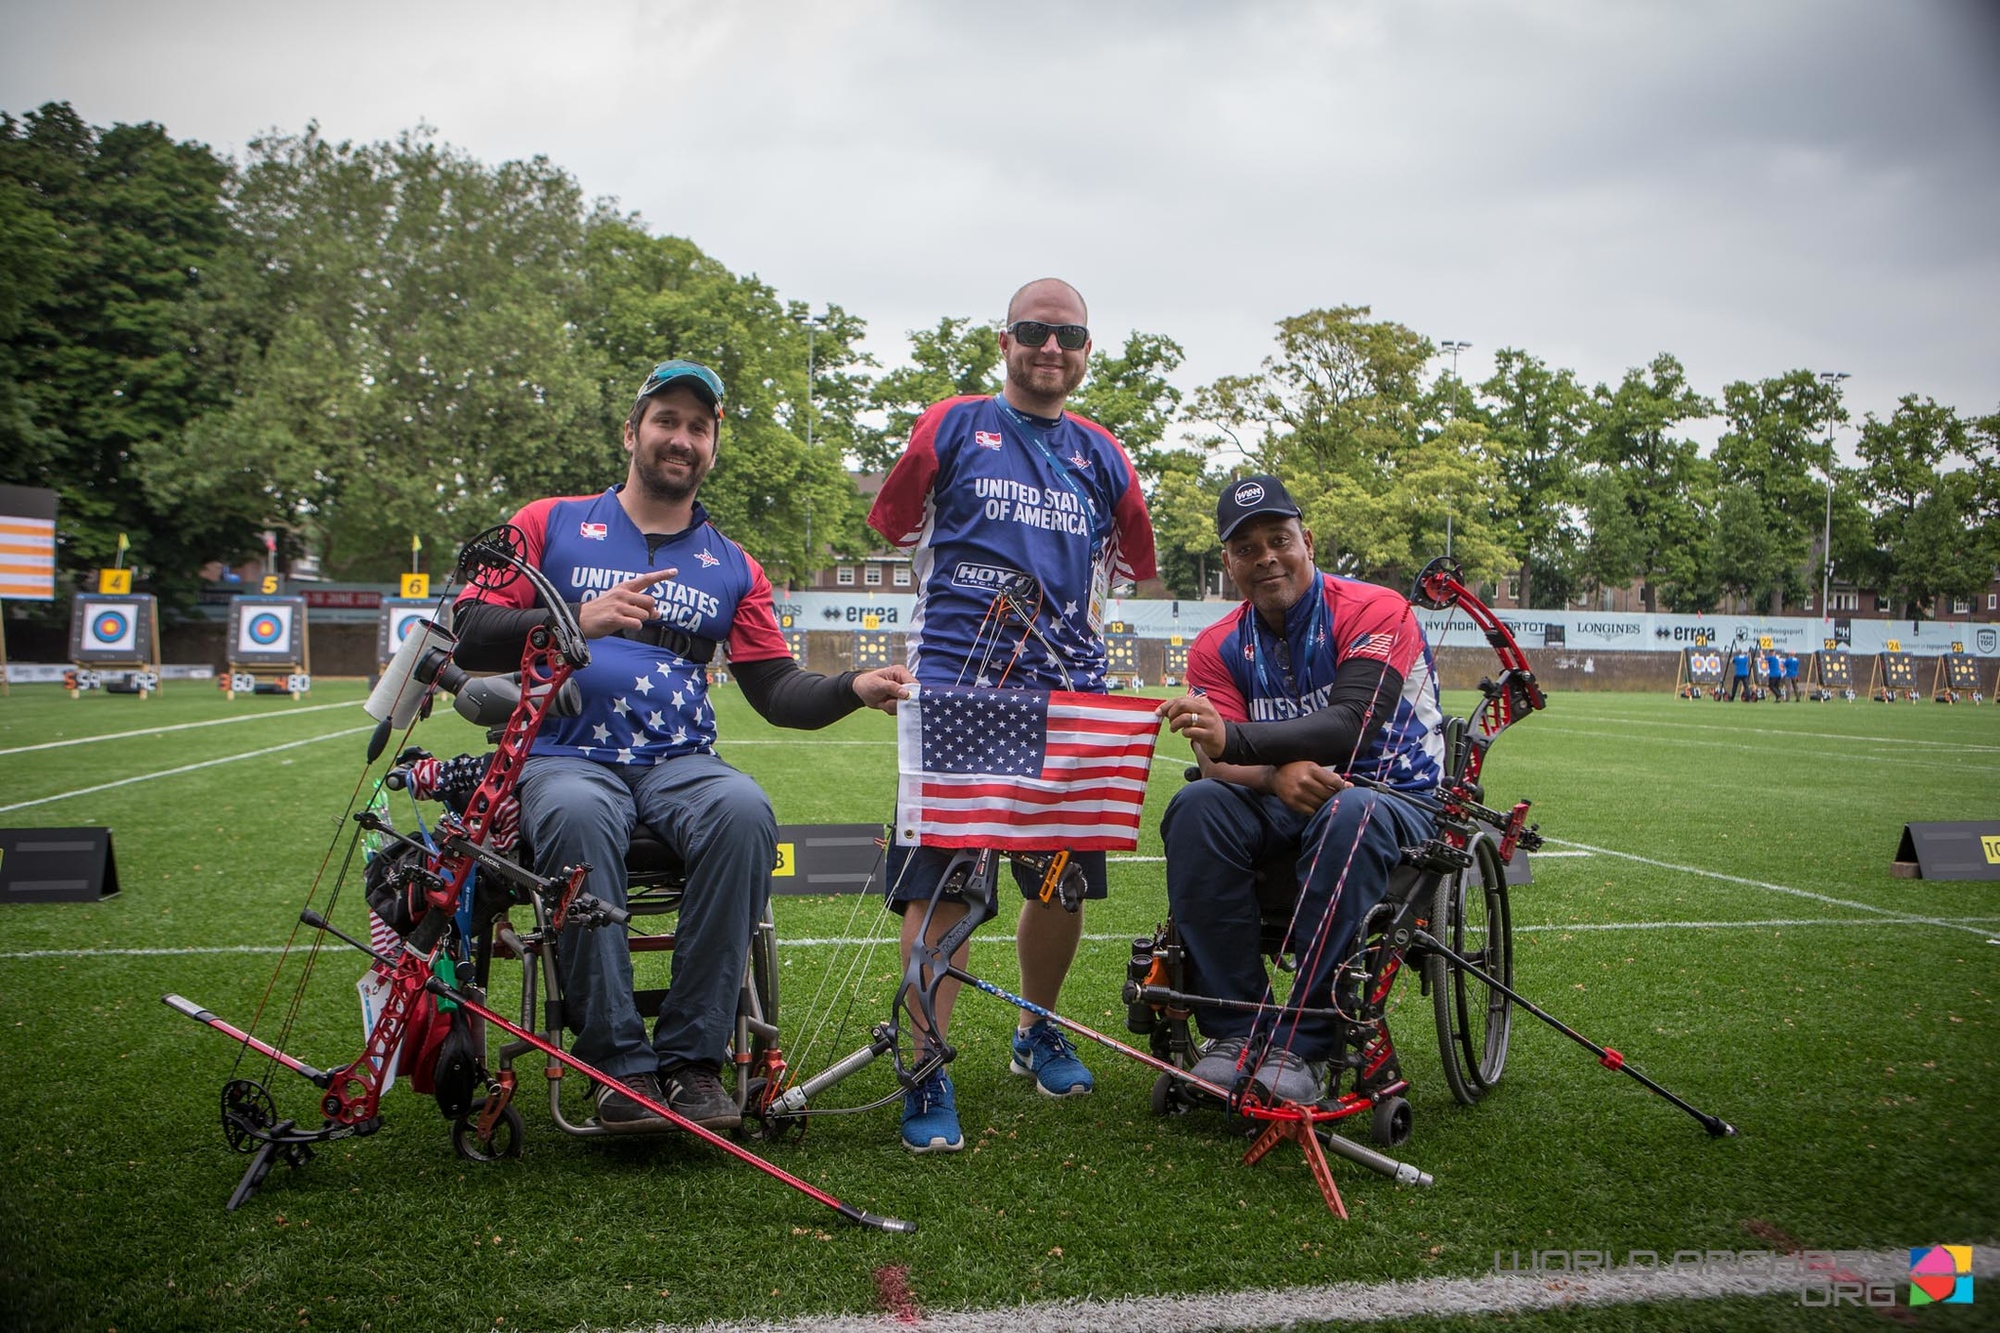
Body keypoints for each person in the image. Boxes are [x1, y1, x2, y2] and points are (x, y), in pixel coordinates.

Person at [453, 359, 911, 1134]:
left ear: (712, 447)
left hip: (680, 762)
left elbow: (775, 691)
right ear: (632, 432)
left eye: (699, 427)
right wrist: (569, 621)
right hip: (564, 754)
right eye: (667, 420)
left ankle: (694, 1063)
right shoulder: (547, 522)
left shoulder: (733, 564)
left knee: (743, 809)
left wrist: (850, 686)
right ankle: (618, 1067)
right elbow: (466, 630)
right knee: (572, 814)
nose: (682, 438)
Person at [866, 278, 1159, 1152]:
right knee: (946, 882)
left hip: (1068, 694)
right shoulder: (955, 423)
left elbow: (1132, 564)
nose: (1051, 348)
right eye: (1034, 331)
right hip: (961, 687)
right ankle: (926, 1066)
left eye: (1067, 335)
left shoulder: (1104, 454)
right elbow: (893, 524)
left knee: (1059, 880)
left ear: (1087, 348)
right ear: (1005, 342)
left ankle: (1036, 1029)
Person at [1155, 476, 1444, 1105]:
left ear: (1306, 541)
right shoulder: (1216, 645)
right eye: (1246, 547)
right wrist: (1271, 774)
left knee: (1351, 811)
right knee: (1196, 806)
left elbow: (1351, 724)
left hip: (1394, 795)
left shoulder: (1374, 608)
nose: (1266, 558)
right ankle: (1236, 1032)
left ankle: (1305, 1042)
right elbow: (1214, 766)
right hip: (1278, 800)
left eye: (1279, 539)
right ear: (1227, 561)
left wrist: (1235, 741)